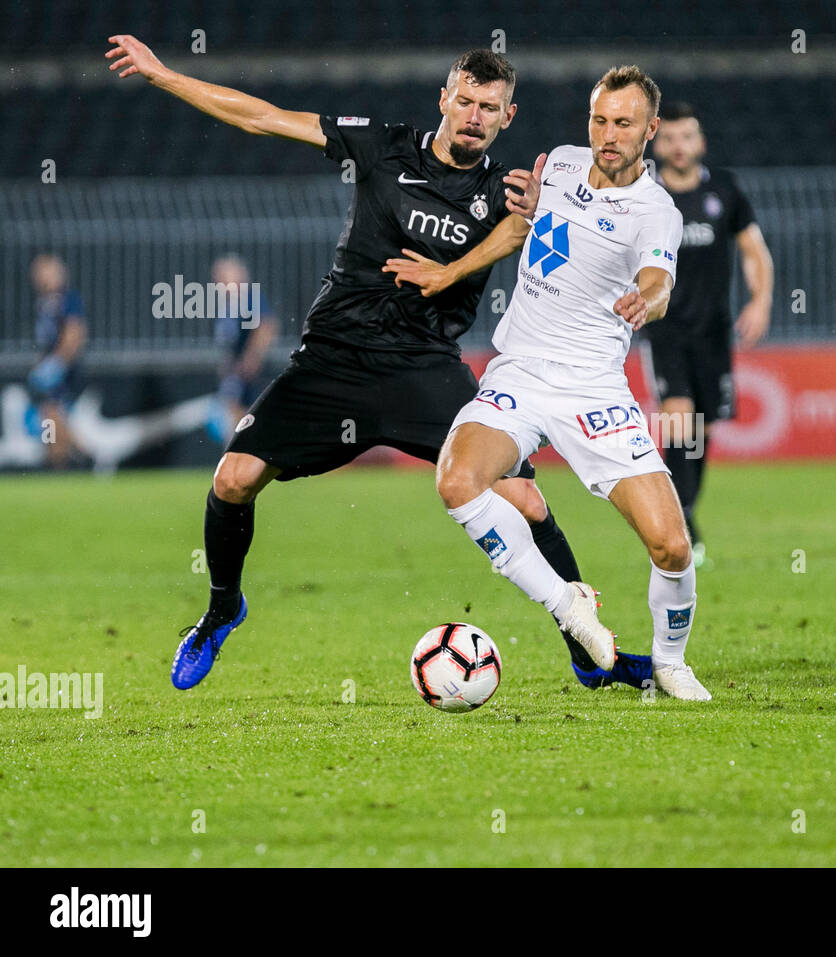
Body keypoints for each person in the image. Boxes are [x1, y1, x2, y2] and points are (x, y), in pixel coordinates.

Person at [106, 35, 625, 691]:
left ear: (507, 118)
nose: (473, 115)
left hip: (424, 369)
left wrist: (523, 228)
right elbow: (263, 116)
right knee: (234, 478)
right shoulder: (381, 146)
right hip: (335, 360)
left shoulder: (510, 192)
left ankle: (584, 645)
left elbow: (550, 230)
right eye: (464, 100)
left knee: (523, 496)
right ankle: (219, 610)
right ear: (445, 99)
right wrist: (164, 76)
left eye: (489, 107)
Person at [385, 66, 711, 700]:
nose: (607, 135)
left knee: (672, 547)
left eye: (623, 123)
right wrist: (503, 234)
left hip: (594, 387)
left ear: (650, 130)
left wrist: (646, 300)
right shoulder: (559, 164)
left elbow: (659, 281)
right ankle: (568, 605)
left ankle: (670, 663)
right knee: (457, 480)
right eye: (599, 120)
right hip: (523, 372)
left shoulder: (656, 213)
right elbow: (528, 231)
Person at [645, 102, 773, 569]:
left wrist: (760, 301)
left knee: (701, 429)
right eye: (669, 138)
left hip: (714, 333)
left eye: (687, 137)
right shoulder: (645, 192)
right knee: (678, 420)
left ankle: (685, 510)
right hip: (665, 328)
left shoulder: (725, 189)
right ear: (656, 143)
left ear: (700, 142)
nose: (678, 147)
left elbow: (754, 250)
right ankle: (680, 528)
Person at [209, 254, 279, 442]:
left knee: (246, 413)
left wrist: (252, 357)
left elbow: (266, 325)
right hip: (237, 370)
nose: (219, 282)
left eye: (224, 276)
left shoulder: (249, 297)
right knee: (235, 410)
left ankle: (243, 452)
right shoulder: (230, 303)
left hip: (249, 370)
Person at [28, 254, 88, 468]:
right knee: (50, 415)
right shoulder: (44, 302)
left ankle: (86, 453)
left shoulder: (68, 299)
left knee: (52, 414)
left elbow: (75, 333)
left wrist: (58, 363)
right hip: (51, 365)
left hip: (64, 368)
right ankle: (58, 462)